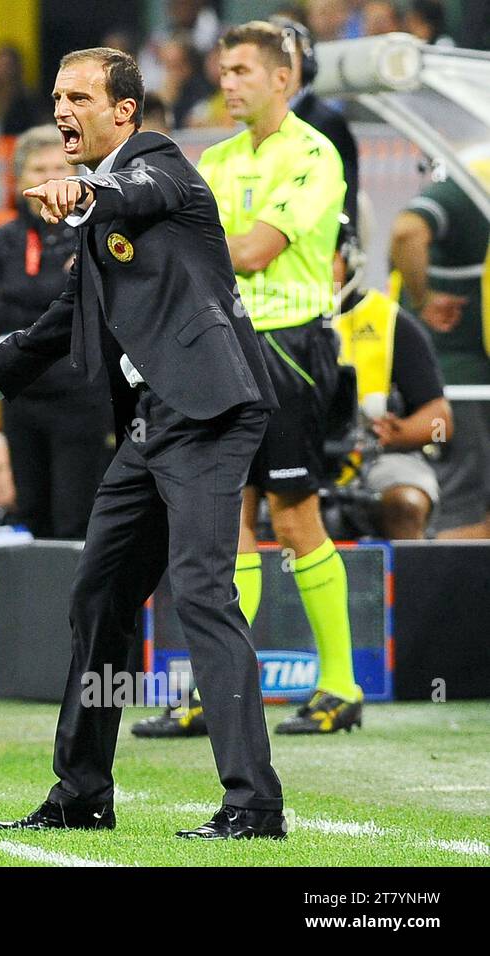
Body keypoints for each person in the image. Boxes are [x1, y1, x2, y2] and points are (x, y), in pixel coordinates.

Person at [0, 47, 285, 839]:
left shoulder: (164, 171)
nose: (62, 111)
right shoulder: (99, 213)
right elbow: (65, 314)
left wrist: (84, 187)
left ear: (125, 111)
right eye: (57, 97)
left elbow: (134, 192)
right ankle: (81, 794)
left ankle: (254, 807)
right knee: (97, 598)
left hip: (211, 410)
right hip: (151, 424)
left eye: (79, 97)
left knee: (200, 591)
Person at [189, 22, 360, 737]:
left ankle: (341, 687)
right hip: (224, 346)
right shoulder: (214, 157)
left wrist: (191, 246)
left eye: (241, 71)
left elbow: (256, 251)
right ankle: (223, 691)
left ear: (282, 79)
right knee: (230, 523)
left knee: (293, 518)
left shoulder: (314, 155)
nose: (228, 83)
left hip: (288, 347)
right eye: (222, 71)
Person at [0, 125, 113, 538]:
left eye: (58, 167)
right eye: (37, 168)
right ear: (19, 180)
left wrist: (21, 299)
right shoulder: (2, 240)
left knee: (75, 516)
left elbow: (87, 301)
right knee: (30, 512)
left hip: (80, 395)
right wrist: (54, 290)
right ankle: (43, 605)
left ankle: (78, 605)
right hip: (21, 395)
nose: (48, 177)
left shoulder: (91, 230)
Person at [330, 218, 451, 539]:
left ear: (349, 259)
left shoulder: (389, 320)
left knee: (406, 504)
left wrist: (404, 433)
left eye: (324, 258)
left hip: (378, 458)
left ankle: (412, 589)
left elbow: (441, 424)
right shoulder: (260, 317)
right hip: (292, 458)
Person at [390, 172, 490, 538]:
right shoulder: (472, 185)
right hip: (462, 387)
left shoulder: (469, 184)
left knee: (471, 514)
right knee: (466, 514)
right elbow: (407, 231)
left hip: (468, 384)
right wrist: (424, 298)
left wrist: (422, 298)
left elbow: (406, 231)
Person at [274, 16, 360, 228]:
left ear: (306, 64)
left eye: (285, 58)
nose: (276, 69)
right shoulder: (250, 127)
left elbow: (343, 209)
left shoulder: (327, 124)